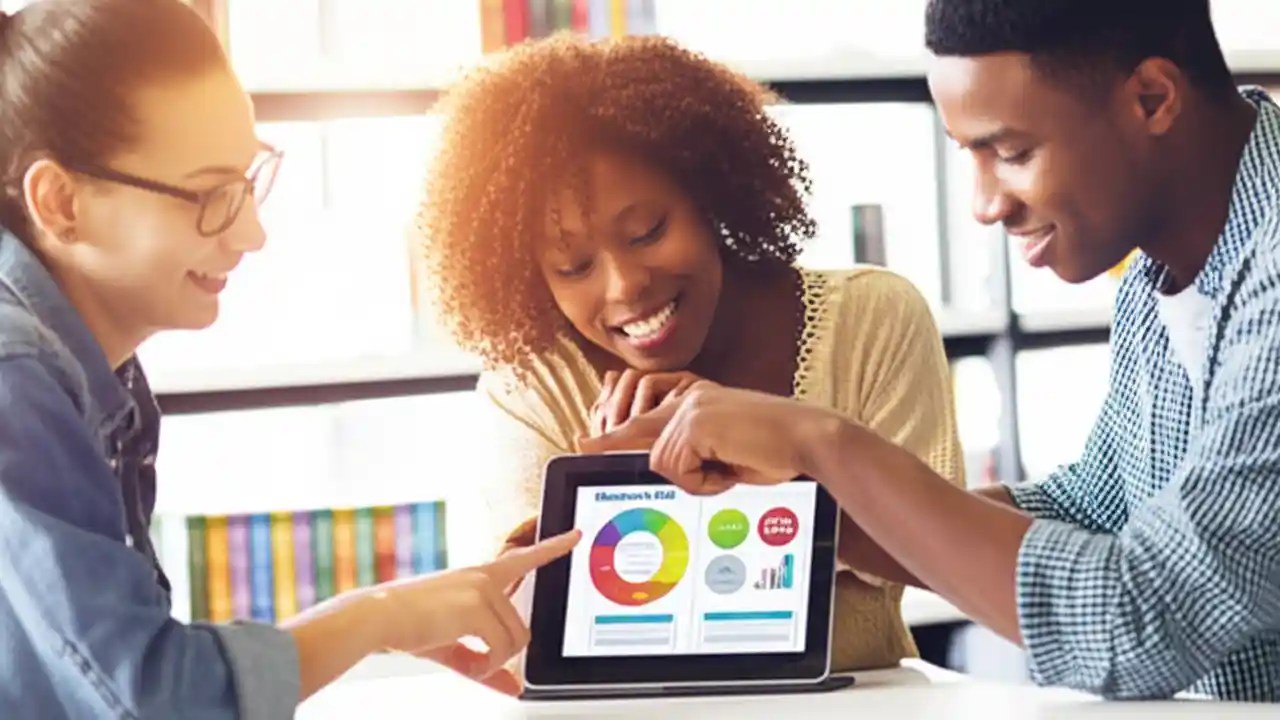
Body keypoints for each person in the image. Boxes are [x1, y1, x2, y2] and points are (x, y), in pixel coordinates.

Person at [583, 0, 1280, 703]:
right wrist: (795, 507)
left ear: (1152, 99)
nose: (983, 204)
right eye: (968, 154)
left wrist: (817, 440)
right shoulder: (1167, 269)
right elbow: (1098, 508)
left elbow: (1142, 620)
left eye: (1011, 153)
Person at [0, 1, 579, 717]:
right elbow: (154, 699)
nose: (252, 233)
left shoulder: (97, 369)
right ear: (59, 202)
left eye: (248, 182)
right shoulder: (15, 377)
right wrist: (378, 615)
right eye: (210, 196)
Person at [415, 31, 965, 673]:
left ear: (707, 193)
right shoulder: (530, 388)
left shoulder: (873, 320)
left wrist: (762, 449)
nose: (624, 286)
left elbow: (947, 557)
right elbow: (514, 630)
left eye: (648, 231)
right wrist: (624, 481)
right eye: (574, 267)